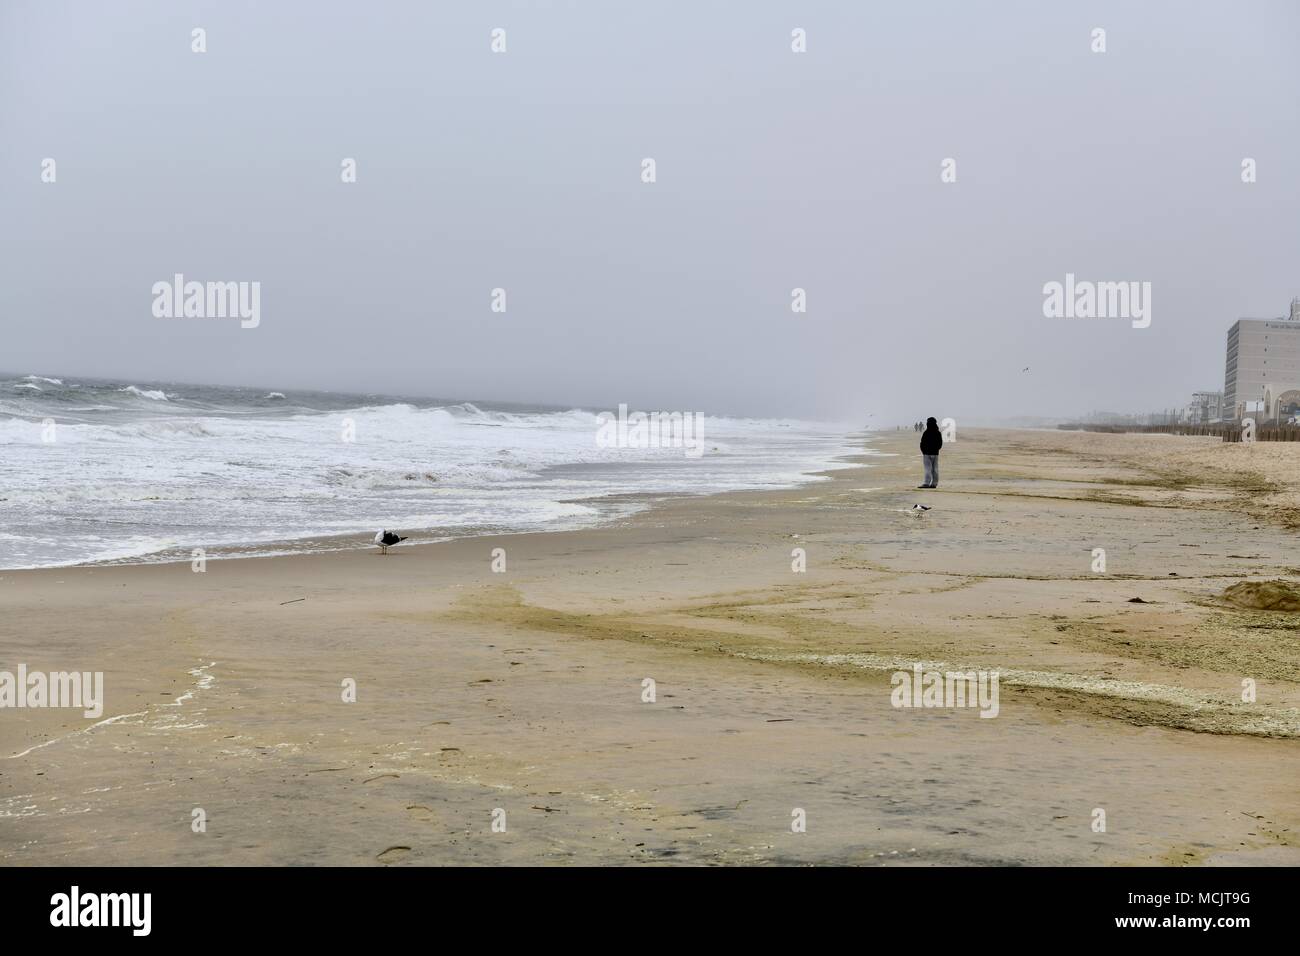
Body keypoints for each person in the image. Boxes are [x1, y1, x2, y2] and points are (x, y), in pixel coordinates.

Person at [918, 417, 942, 488]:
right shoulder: (938, 433)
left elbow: (922, 443)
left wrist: (923, 451)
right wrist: (936, 449)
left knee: (928, 469)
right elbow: (940, 443)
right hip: (935, 453)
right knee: (935, 469)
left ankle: (926, 483)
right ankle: (934, 483)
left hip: (927, 454)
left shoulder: (926, 432)